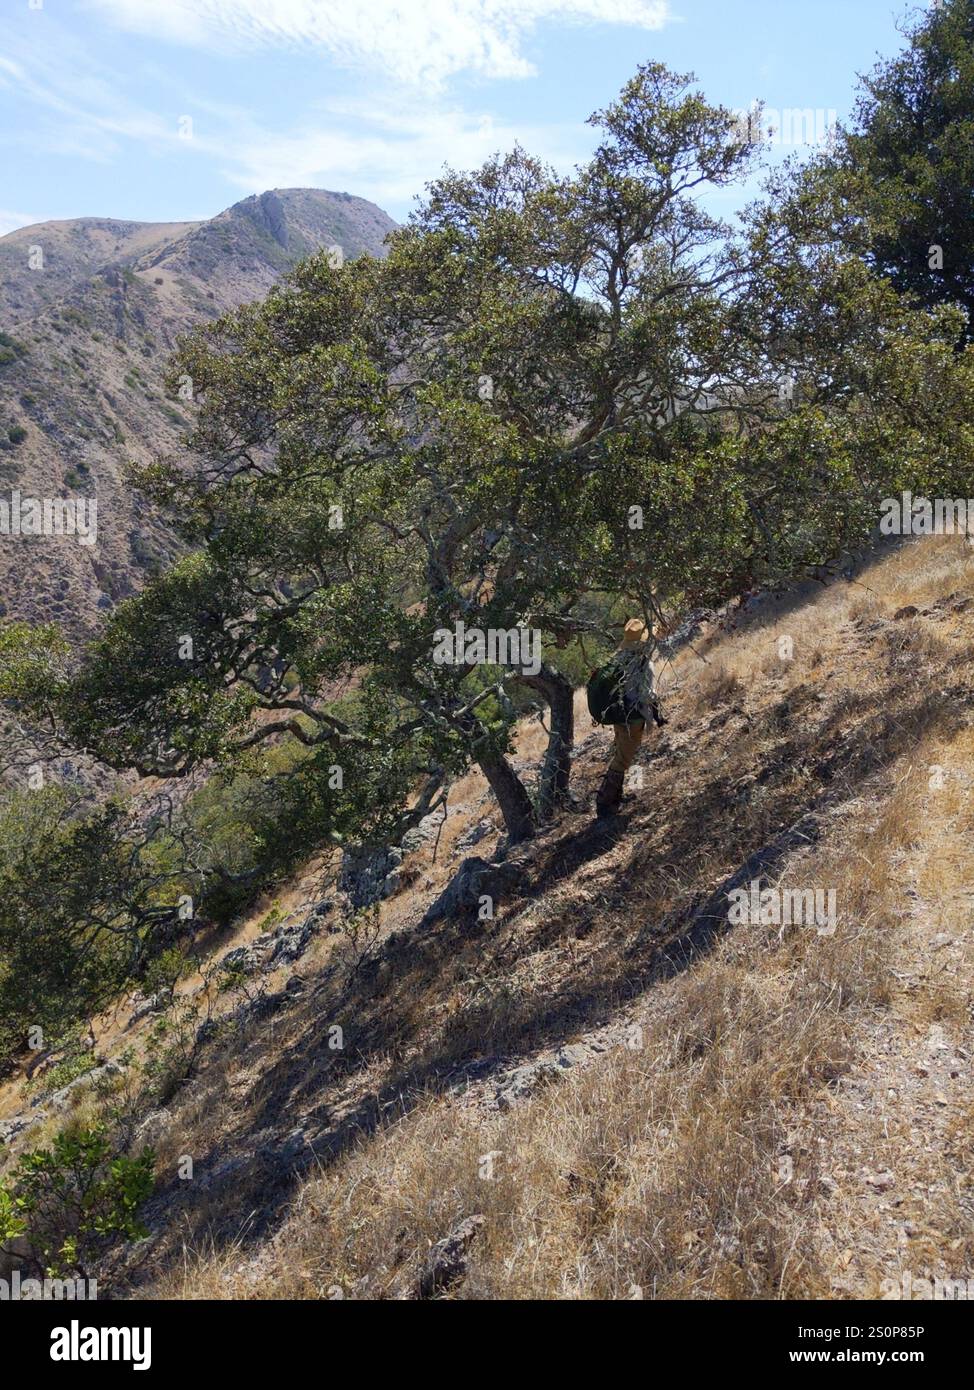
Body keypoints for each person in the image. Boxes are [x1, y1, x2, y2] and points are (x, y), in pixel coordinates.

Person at [595, 618, 663, 818]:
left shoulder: (617, 660)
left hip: (618, 715)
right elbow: (647, 695)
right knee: (624, 759)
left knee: (623, 753)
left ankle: (617, 796)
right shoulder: (644, 663)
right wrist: (655, 707)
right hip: (634, 717)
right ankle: (604, 803)